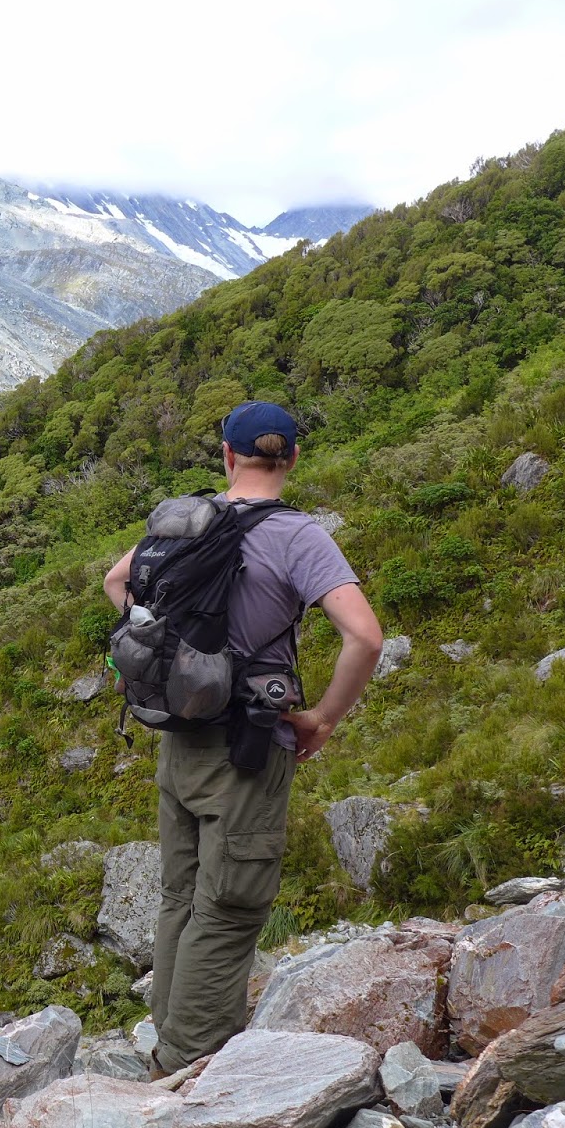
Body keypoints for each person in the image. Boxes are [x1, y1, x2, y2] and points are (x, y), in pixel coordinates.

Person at [100, 401, 384, 1074]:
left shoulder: (186, 524)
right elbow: (365, 638)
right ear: (291, 458)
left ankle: (166, 1034)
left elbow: (117, 582)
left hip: (180, 739)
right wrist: (324, 718)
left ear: (226, 457)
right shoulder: (298, 535)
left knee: (181, 894)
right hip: (248, 749)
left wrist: (179, 658)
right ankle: (190, 1065)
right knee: (228, 909)